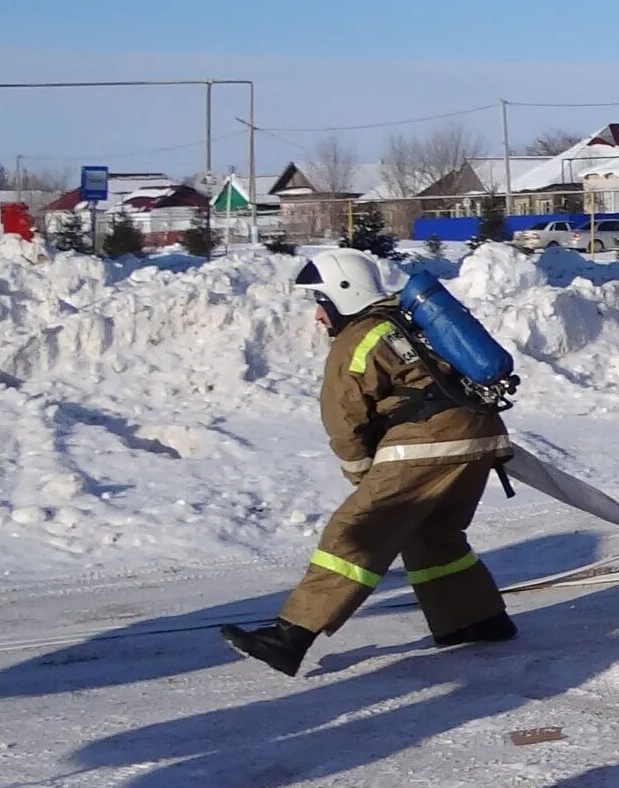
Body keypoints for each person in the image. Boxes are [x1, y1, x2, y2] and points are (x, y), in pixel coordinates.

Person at [219, 247, 516, 678]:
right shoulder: (402, 321)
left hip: (429, 443)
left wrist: (361, 473)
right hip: (480, 433)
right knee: (434, 534)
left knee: (355, 531)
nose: (319, 316)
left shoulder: (358, 337)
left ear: (342, 294)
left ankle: (290, 636)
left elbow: (343, 417)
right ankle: (476, 620)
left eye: (321, 304)